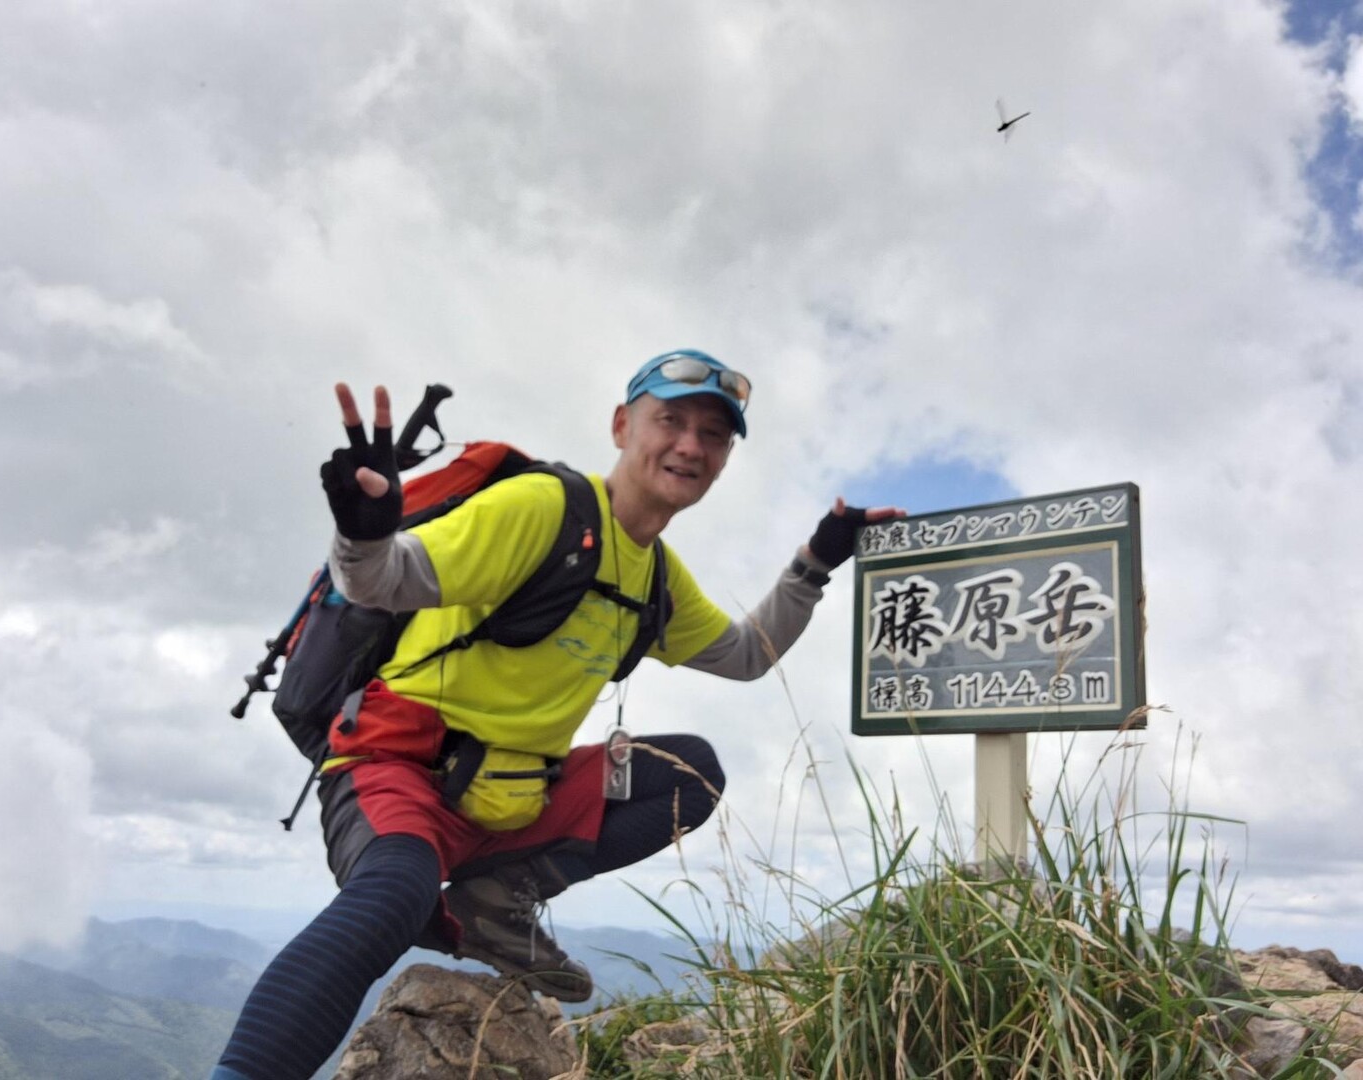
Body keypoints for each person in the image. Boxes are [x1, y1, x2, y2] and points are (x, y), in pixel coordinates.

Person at [209, 350, 903, 1080]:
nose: (691, 445)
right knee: (393, 895)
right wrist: (365, 529)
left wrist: (815, 563)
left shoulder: (657, 577)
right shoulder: (543, 507)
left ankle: (494, 897)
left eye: (714, 435)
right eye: (670, 420)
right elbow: (383, 578)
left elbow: (746, 653)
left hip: (510, 799)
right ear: (620, 426)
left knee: (689, 771)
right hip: (395, 773)